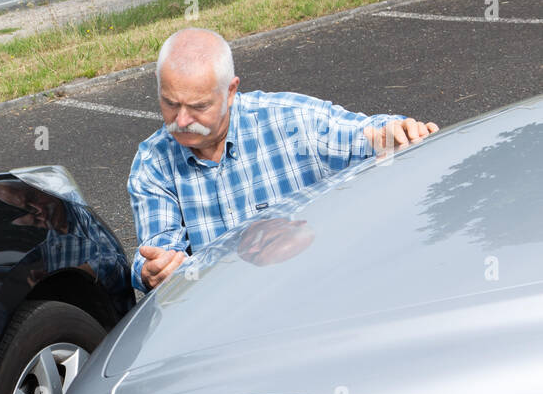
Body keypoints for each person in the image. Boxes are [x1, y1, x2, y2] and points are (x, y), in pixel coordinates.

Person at [128, 28, 439, 292]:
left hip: (318, 290)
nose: (181, 121)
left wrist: (399, 132)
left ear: (231, 91)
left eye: (198, 106)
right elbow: (158, 247)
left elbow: (366, 134)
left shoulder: (291, 122)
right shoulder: (154, 162)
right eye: (170, 103)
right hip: (225, 315)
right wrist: (153, 268)